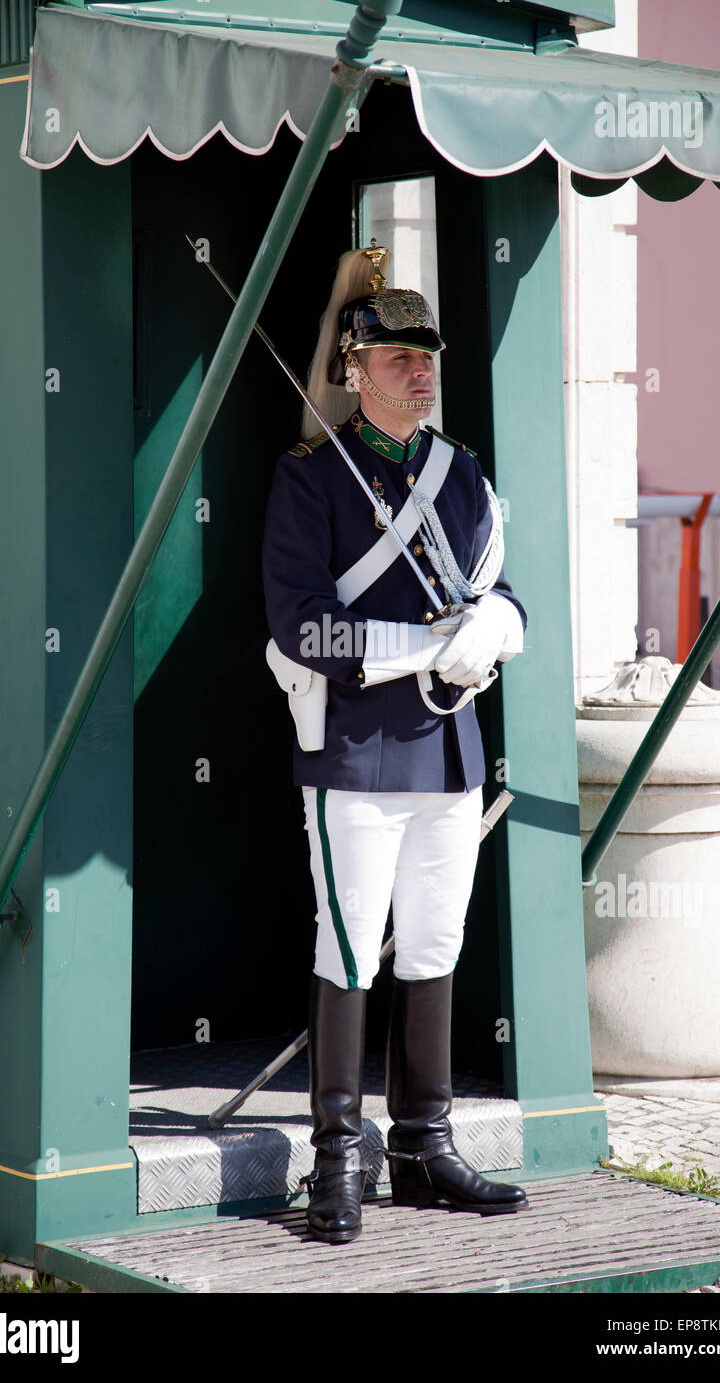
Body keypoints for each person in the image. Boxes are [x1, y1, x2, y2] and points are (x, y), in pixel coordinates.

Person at [261, 241, 529, 1244]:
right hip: (355, 751)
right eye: (400, 357)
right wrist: (426, 644)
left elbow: (502, 595)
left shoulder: (462, 478)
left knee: (432, 942)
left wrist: (492, 632)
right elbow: (302, 628)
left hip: (448, 748)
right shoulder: (309, 482)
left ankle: (422, 1143)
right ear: (353, 368)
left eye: (429, 356)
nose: (421, 371)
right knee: (347, 942)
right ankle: (337, 1160)